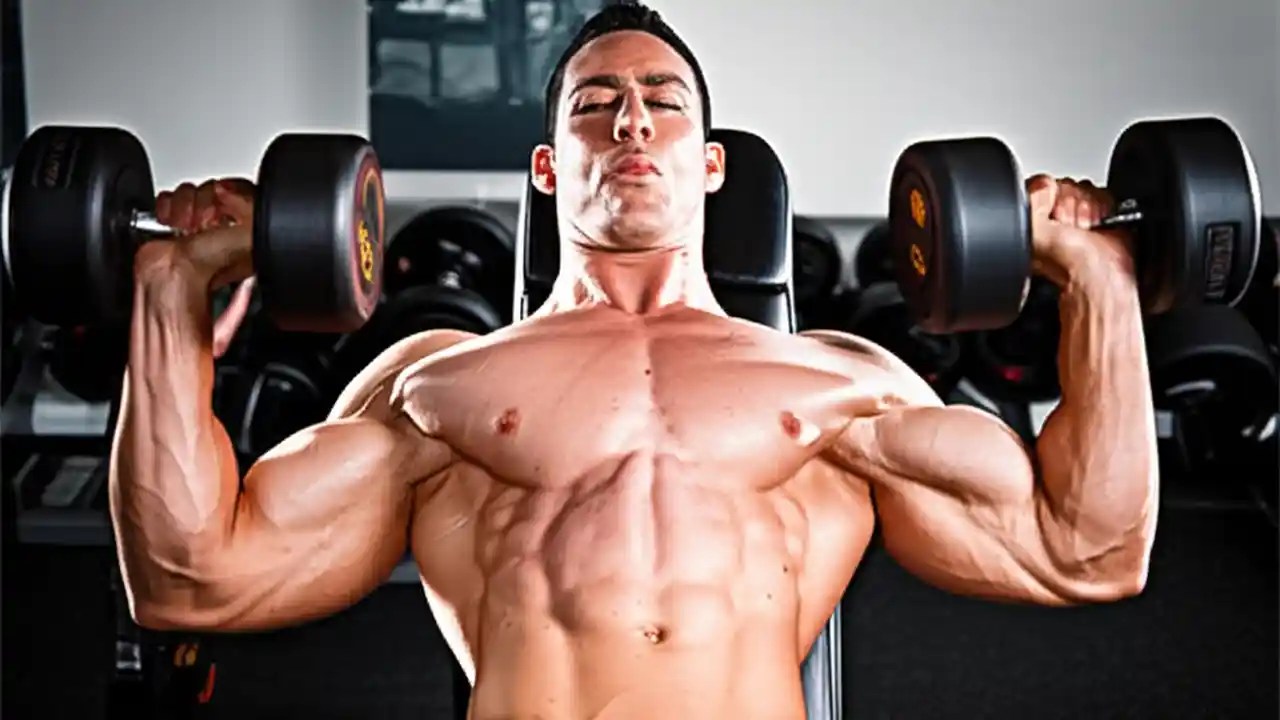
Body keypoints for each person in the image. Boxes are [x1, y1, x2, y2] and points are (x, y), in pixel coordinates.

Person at [109, 3, 1158, 717]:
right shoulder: (433, 386)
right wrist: (169, 291)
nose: (628, 120)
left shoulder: (844, 386)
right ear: (547, 167)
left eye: (662, 101)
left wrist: (1099, 279)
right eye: (591, 105)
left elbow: (1087, 552)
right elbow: (193, 581)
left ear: (710, 164)